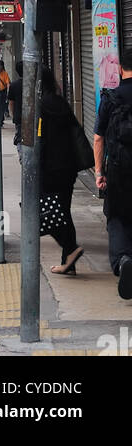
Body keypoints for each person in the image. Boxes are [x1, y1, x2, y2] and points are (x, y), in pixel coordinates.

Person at [39, 67, 85, 275]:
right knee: (63, 210)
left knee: (46, 214)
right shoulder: (62, 104)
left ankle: (71, 247)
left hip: (50, 168)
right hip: (68, 167)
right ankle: (69, 263)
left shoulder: (41, 107)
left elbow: (39, 140)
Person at [94, 49, 132, 299]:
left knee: (117, 218)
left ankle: (123, 261)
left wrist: (99, 172)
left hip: (119, 171)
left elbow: (98, 138)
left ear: (120, 68)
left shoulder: (111, 97)